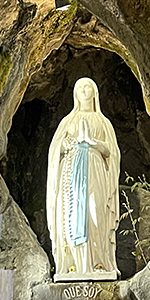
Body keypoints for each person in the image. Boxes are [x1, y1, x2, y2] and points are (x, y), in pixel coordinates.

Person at [46, 77, 120, 281]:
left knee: (95, 214)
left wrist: (92, 142)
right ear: (75, 94)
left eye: (88, 86)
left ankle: (98, 262)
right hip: (71, 175)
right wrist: (66, 145)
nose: (84, 90)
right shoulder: (67, 122)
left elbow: (110, 152)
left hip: (95, 171)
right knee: (71, 215)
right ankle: (76, 264)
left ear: (95, 93)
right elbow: (54, 151)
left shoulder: (103, 122)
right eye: (79, 87)